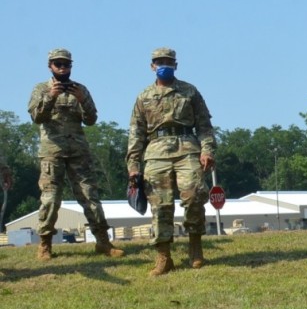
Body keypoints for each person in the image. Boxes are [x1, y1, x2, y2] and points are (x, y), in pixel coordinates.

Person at [26, 48, 124, 261]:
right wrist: (51, 96)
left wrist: (82, 100)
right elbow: (36, 117)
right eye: (58, 64)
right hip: (52, 153)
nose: (62, 68)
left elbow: (91, 119)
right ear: (50, 66)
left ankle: (103, 242)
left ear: (71, 66)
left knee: (90, 197)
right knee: (51, 199)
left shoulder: (80, 89)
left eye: (66, 64)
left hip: (79, 152)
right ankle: (45, 244)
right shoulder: (41, 89)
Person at [126, 47, 217, 276]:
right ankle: (164, 257)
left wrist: (207, 150)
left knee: (194, 196)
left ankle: (195, 248)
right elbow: (136, 133)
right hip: (156, 153)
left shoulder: (189, 91)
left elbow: (204, 125)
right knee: (160, 205)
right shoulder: (144, 96)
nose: (164, 65)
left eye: (168, 61)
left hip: (187, 149)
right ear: (152, 66)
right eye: (159, 62)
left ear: (175, 65)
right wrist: (133, 165)